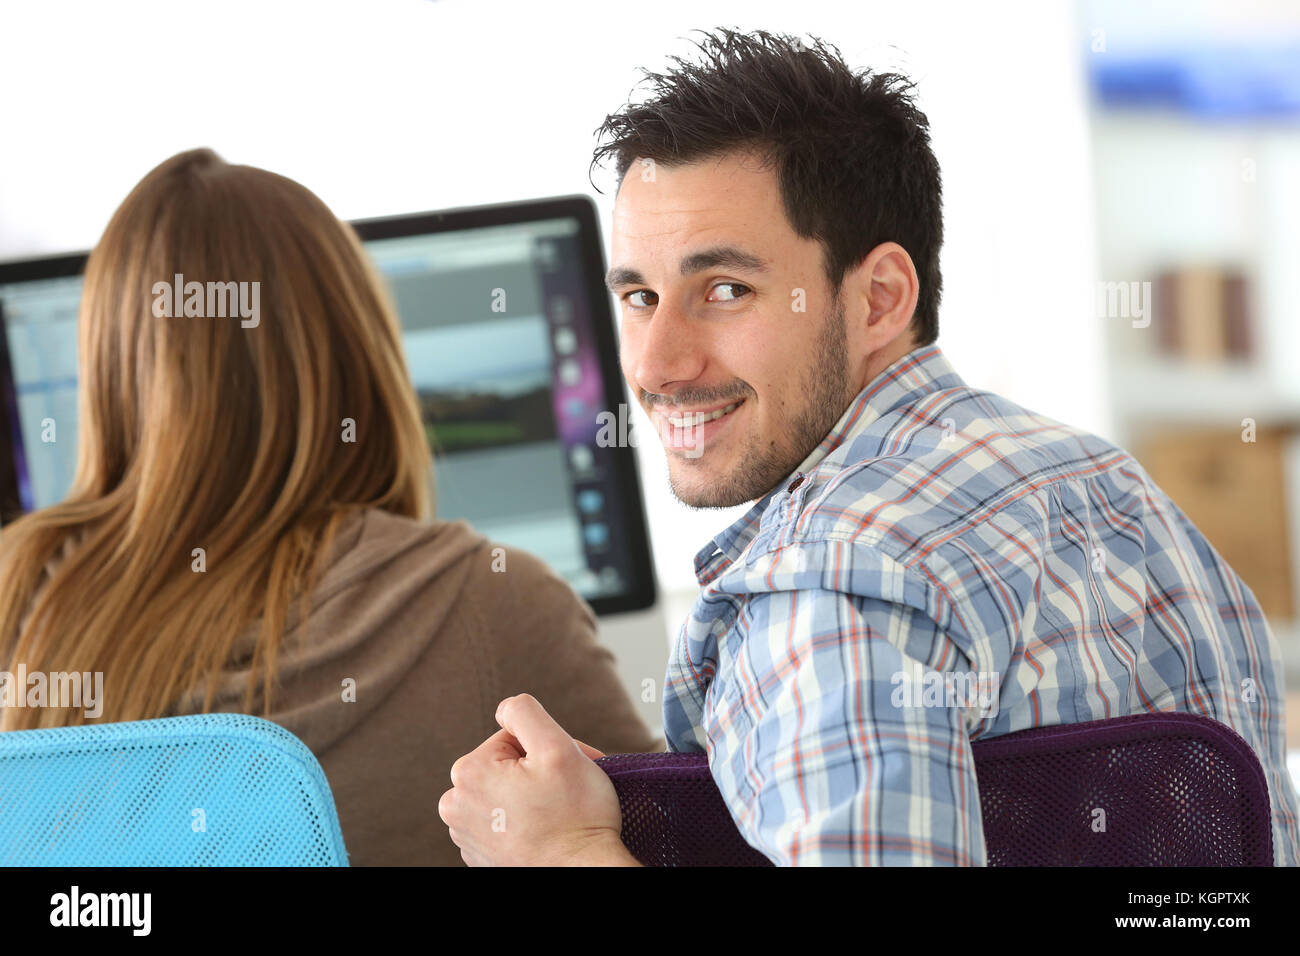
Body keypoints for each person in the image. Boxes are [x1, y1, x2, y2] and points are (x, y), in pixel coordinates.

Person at [439, 28, 1300, 866]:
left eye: (726, 290)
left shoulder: (828, 593)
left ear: (881, 298)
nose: (659, 364)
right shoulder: (1102, 480)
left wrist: (565, 851)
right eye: (638, 296)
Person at [0, 148, 659, 866]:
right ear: (358, 347)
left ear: (109, 370)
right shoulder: (492, 602)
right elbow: (671, 840)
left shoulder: (16, 586)